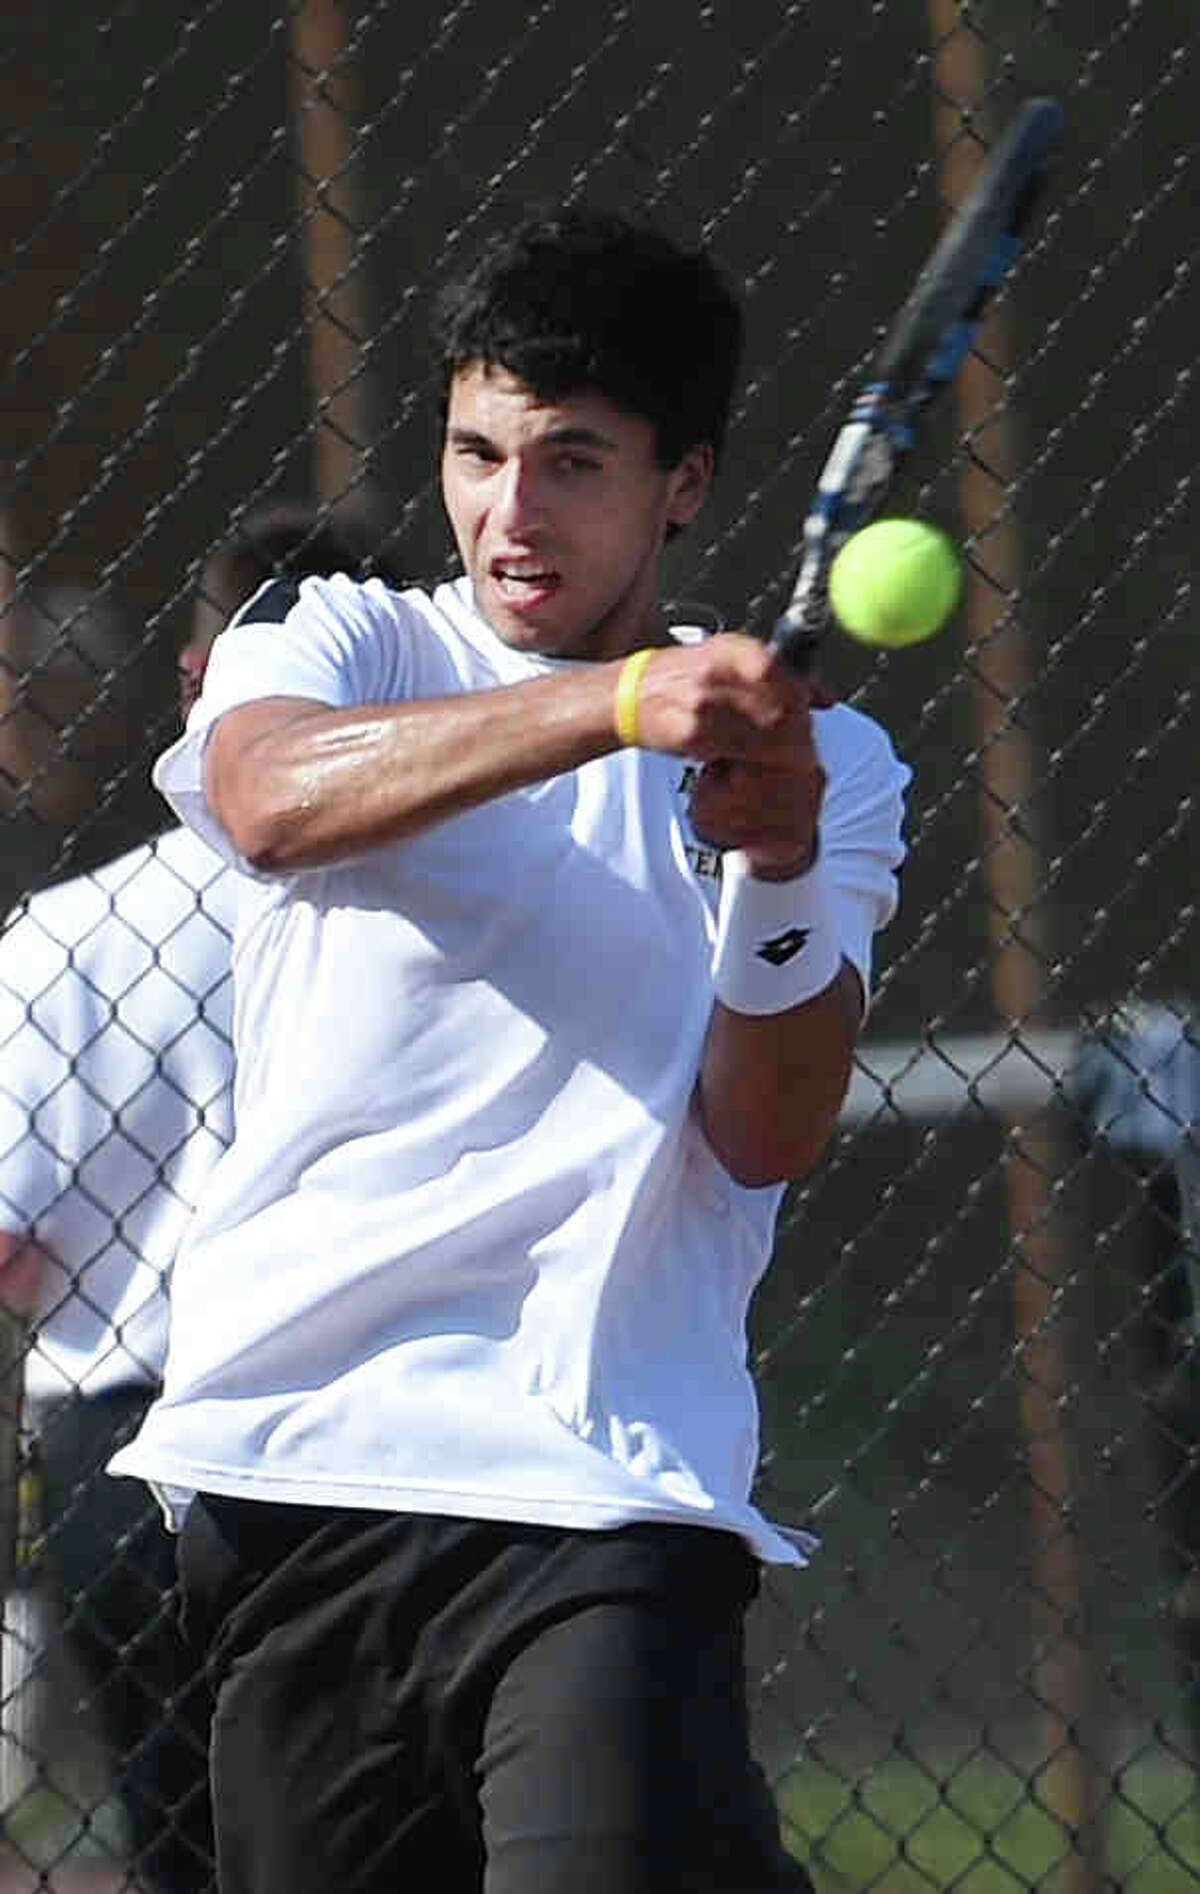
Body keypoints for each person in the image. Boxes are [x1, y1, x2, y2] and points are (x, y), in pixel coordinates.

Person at [111, 209, 910, 1894]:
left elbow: (764, 1134)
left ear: (682, 483)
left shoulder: (827, 759)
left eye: (572, 461)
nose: (509, 512)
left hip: (602, 1488)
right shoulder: (340, 639)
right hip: (290, 1466)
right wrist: (622, 707)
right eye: (478, 452)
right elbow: (267, 799)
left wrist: (772, 861)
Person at [0, 503, 399, 1894]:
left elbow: (8, 1241)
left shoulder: (66, 935)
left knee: (193, 1851)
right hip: (372, 1436)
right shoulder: (443, 913)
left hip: (124, 1439)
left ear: (197, 678)